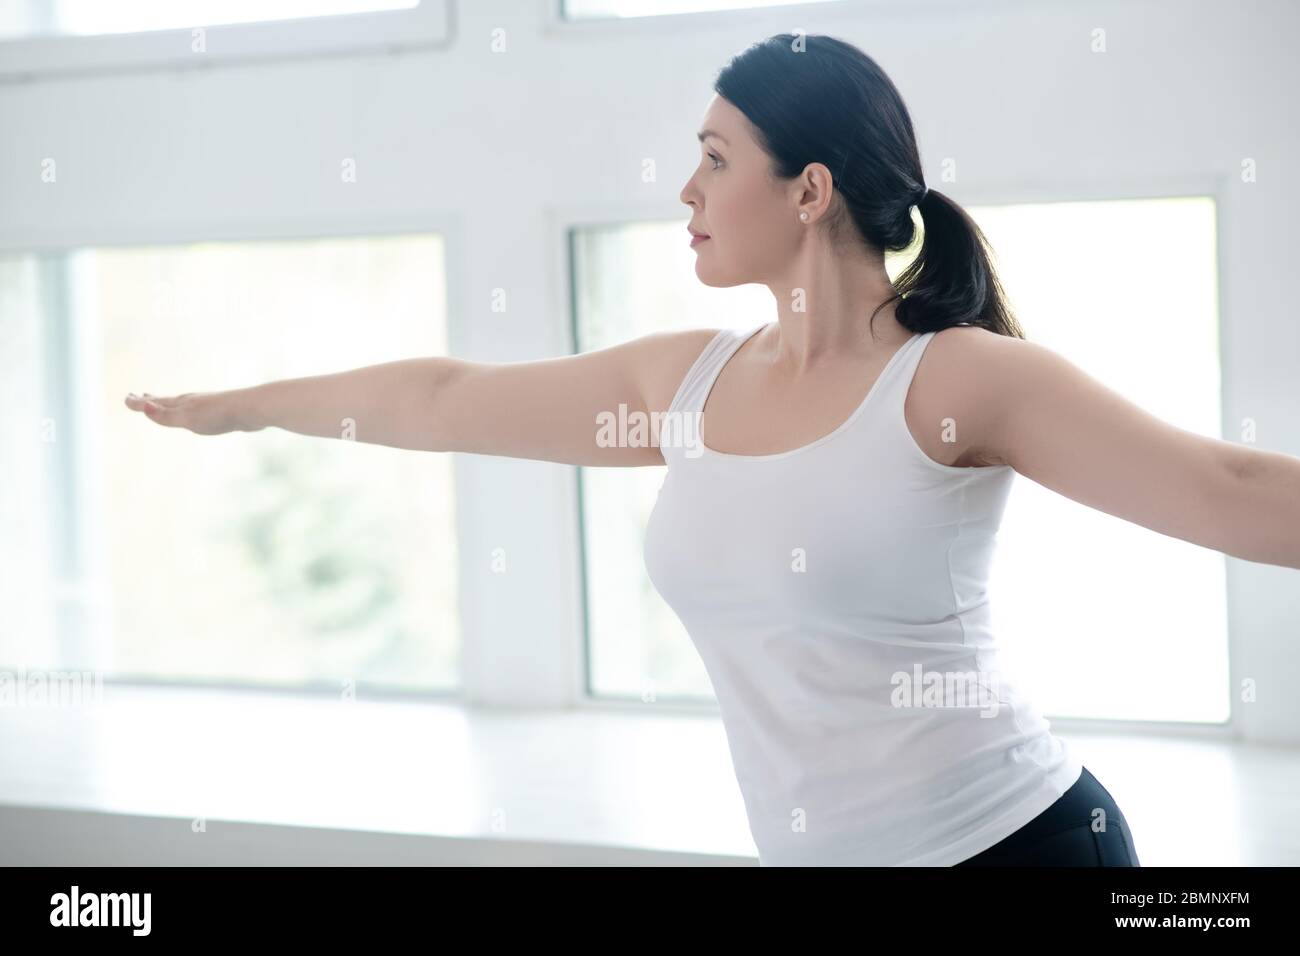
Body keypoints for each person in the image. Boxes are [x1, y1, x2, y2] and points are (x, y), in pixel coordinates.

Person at [125, 33, 1299, 866]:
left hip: (1014, 848)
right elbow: (444, 397)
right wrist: (247, 406)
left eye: (716, 158)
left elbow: (1233, 489)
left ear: (810, 191)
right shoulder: (679, 385)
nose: (685, 189)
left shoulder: (953, 377)